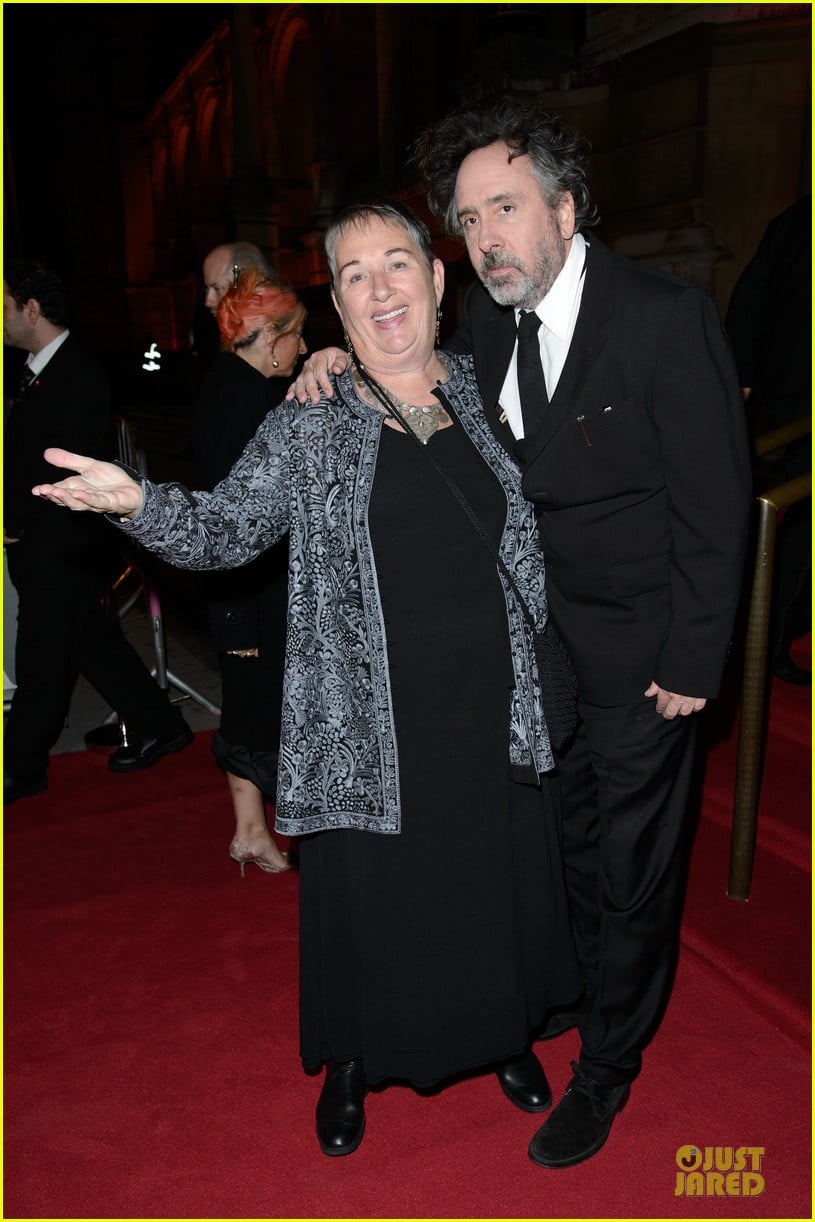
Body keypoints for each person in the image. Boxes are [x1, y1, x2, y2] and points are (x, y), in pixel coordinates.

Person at [32, 201, 582, 1158]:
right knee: (372, 897)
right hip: (366, 713)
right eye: (356, 272)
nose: (382, 288)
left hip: (489, 703)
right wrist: (135, 503)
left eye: (399, 263)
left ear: (437, 281)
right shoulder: (310, 420)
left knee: (485, 877)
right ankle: (355, 1062)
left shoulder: (494, 387)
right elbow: (225, 528)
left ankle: (502, 1034)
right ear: (335, 300)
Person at [290, 100, 753, 1168]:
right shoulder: (486, 324)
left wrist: (694, 658)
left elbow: (714, 503)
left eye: (505, 206)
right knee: (568, 845)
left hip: (645, 660)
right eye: (466, 218)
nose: (485, 234)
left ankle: (606, 1068)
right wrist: (326, 359)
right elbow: (407, 376)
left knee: (634, 865)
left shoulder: (660, 316)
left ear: (563, 206)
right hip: (534, 653)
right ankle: (575, 993)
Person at [3, 260, 192, 804]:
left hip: (58, 540)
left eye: (5, 305)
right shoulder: (37, 369)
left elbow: (67, 470)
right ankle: (161, 725)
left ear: (31, 309)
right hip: (47, 538)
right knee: (90, 638)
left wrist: (18, 522)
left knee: (41, 655)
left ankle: (22, 767)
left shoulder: (77, 372)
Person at [194, 271, 307, 875]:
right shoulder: (260, 400)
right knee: (271, 710)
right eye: (297, 337)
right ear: (270, 338)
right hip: (257, 584)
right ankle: (285, 832)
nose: (304, 350)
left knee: (246, 704)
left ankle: (249, 833)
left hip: (236, 584)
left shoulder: (221, 384)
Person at [725, 196, 811, 684]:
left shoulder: (796, 218)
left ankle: (775, 637)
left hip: (785, 394)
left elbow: (751, 298)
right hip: (794, 399)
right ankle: (770, 641)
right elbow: (754, 298)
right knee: (793, 527)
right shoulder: (798, 221)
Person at [194, 241, 279, 368]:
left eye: (217, 289)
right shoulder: (214, 333)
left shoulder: (283, 332)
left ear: (247, 284)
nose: (208, 301)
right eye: (207, 289)